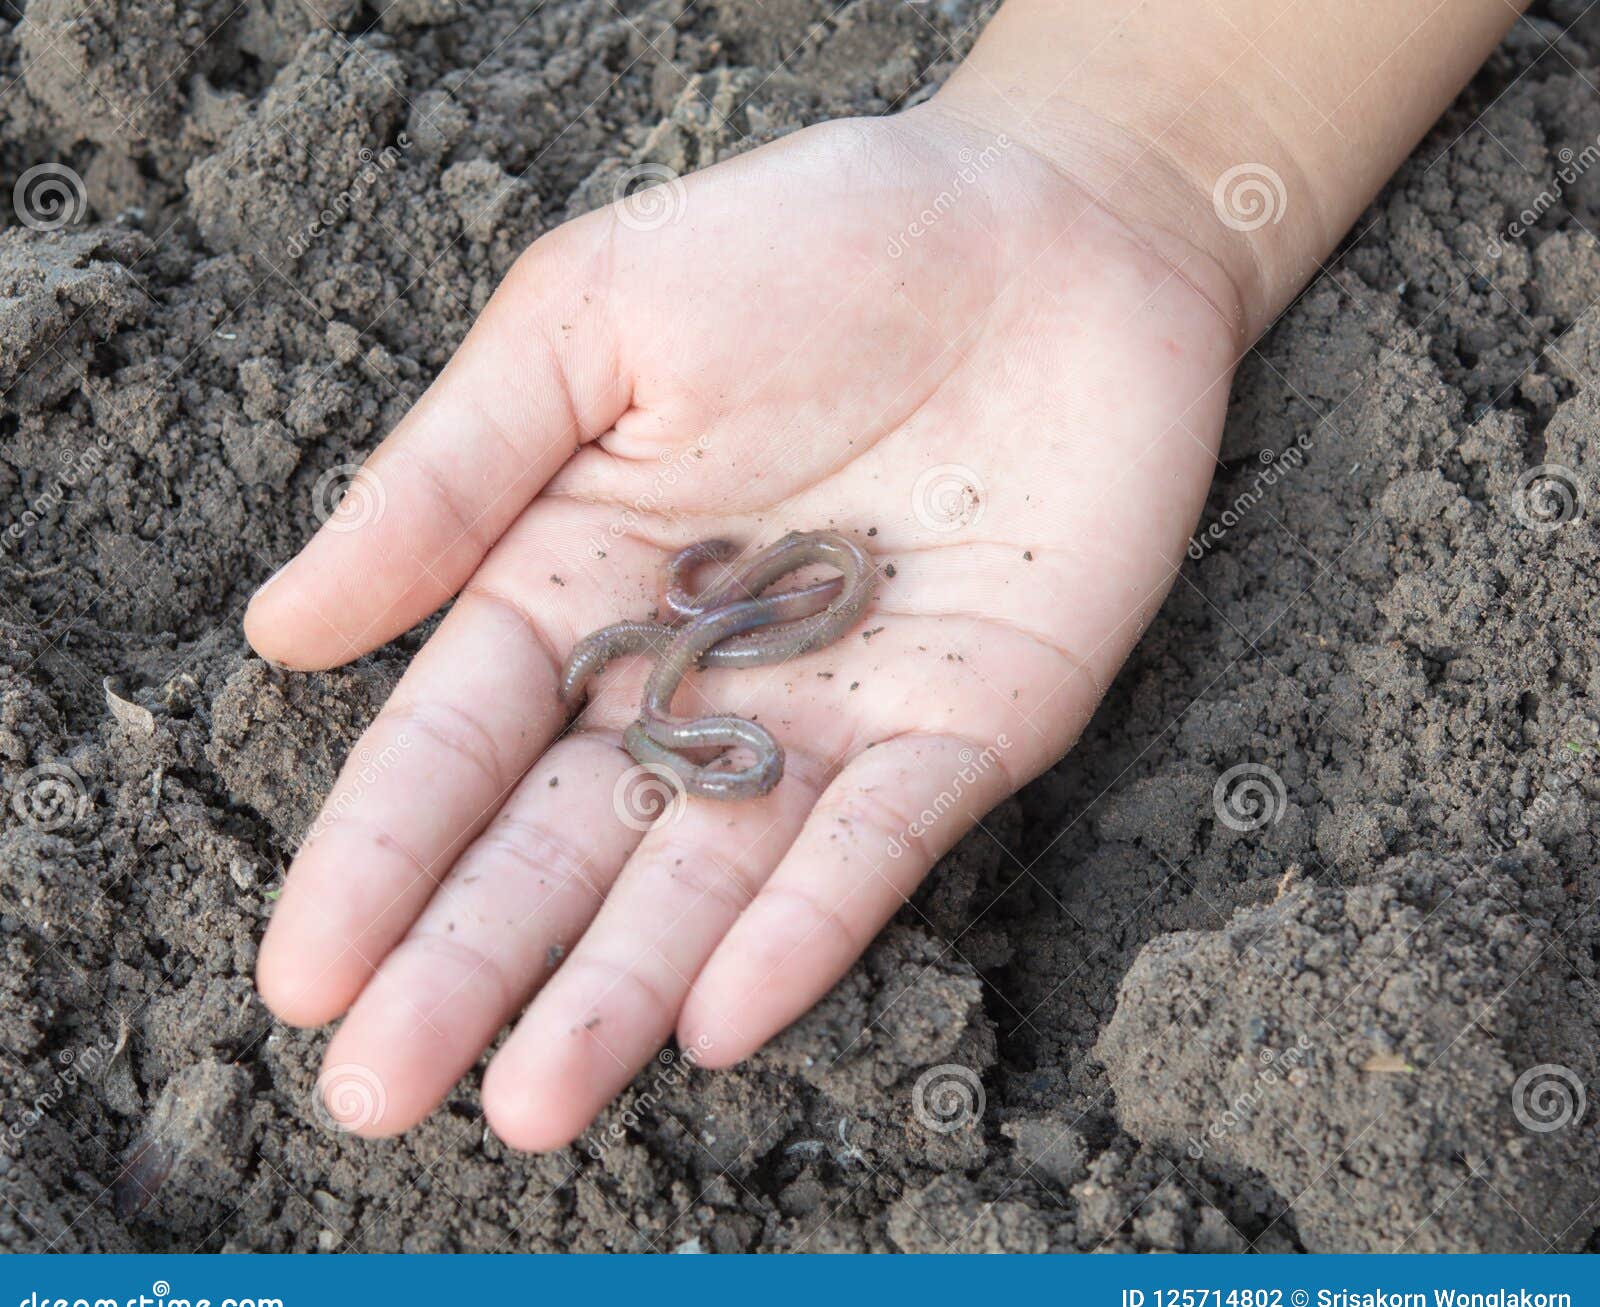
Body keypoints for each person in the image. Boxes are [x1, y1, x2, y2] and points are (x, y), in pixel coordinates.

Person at [246, 1, 1531, 1149]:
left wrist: (1134, 175)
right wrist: (1118, 143)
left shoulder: (727, 624)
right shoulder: (691, 637)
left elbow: (715, 618)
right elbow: (690, 628)